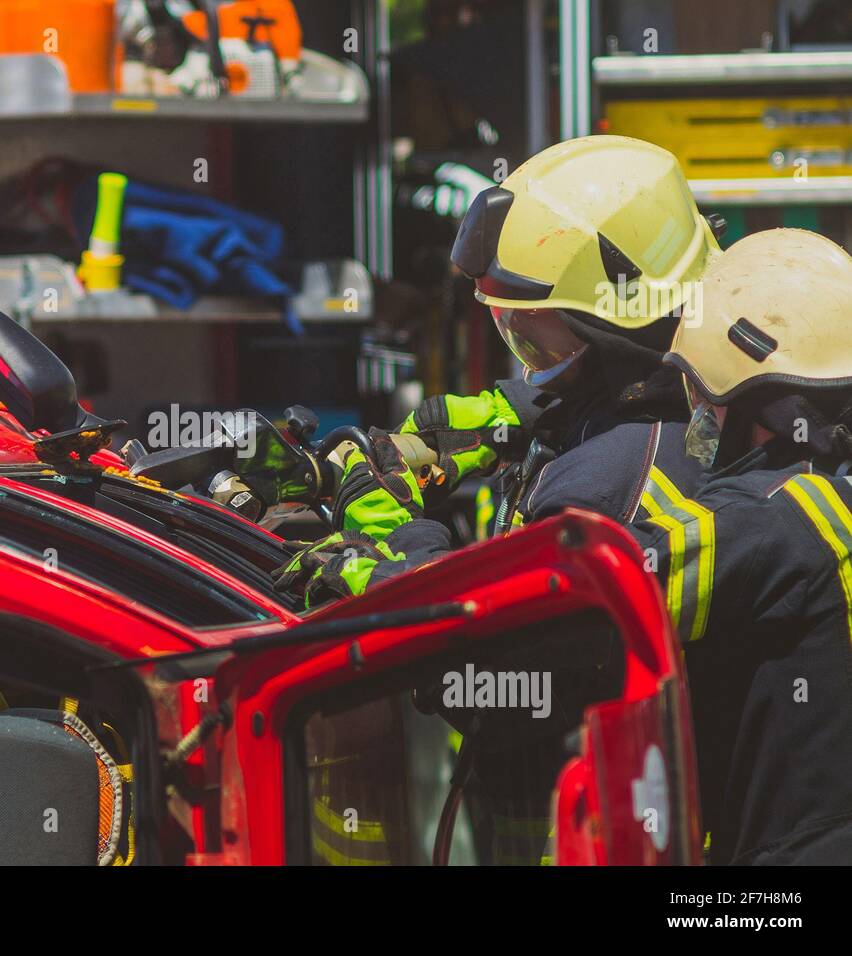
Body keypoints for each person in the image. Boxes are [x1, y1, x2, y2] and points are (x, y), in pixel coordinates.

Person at [307, 228, 852, 864]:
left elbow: (569, 607)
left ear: (757, 397)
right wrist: (518, 421)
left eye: (703, 395)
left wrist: (392, 561)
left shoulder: (782, 523)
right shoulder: (821, 500)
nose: (695, 417)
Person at [277, 134, 724, 608]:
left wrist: (399, 544)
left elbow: (492, 647)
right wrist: (510, 416)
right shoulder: (700, 400)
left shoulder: (592, 497)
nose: (522, 347)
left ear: (612, 325)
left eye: (534, 326)